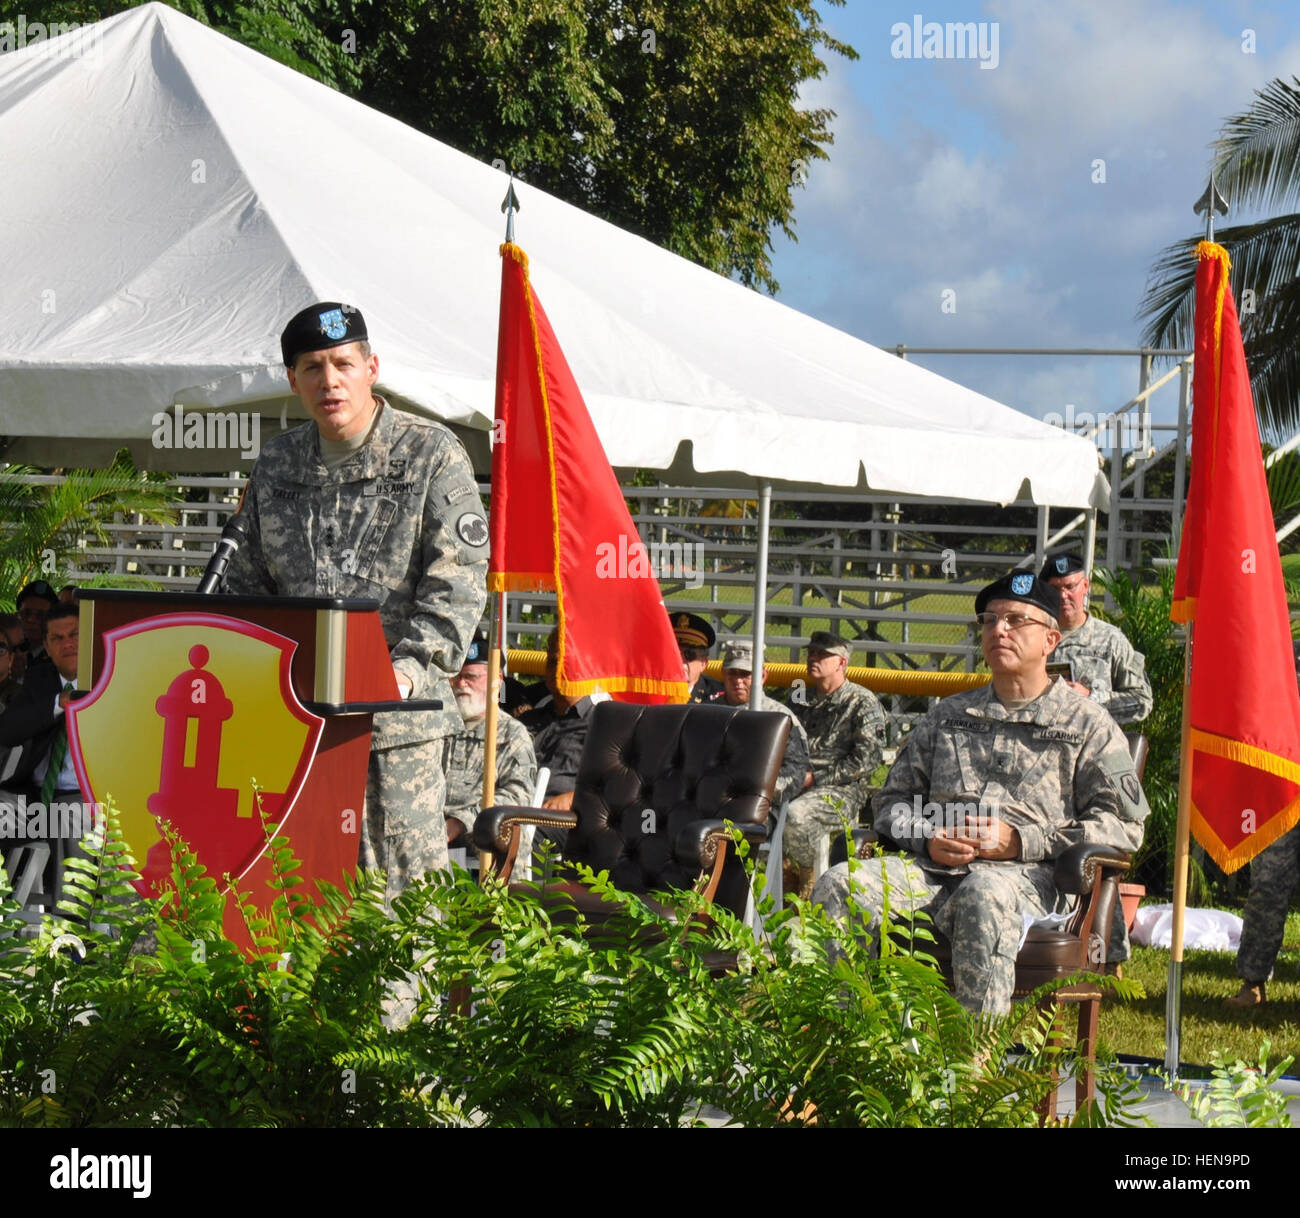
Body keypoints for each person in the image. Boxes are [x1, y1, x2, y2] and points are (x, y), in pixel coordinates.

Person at [224, 302, 488, 907]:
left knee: (396, 915)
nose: (329, 381)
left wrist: (409, 670)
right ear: (293, 381)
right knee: (296, 904)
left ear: (372, 367)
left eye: (343, 363)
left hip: (396, 731)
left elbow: (458, 579)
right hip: (296, 726)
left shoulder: (431, 454)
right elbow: (245, 585)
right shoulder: (276, 464)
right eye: (312, 368)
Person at [812, 572, 1150, 1014]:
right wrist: (928, 836)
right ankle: (840, 1046)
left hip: (1032, 879)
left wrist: (1021, 841)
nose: (998, 630)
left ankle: (973, 1066)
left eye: (1015, 620)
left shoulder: (1087, 724)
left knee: (983, 894)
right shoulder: (948, 716)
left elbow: (1125, 826)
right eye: (990, 620)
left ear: (1051, 639)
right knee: (840, 884)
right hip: (932, 870)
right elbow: (889, 804)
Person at [784, 630, 888, 896]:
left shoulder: (862, 702)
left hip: (843, 789)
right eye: (811, 653)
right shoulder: (799, 699)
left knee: (796, 816)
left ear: (842, 662)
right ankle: (779, 872)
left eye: (822, 655)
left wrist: (816, 779)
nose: (813, 659)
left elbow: (867, 761)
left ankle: (807, 873)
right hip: (797, 780)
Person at [0, 603, 90, 903]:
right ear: (47, 647)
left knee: (69, 817)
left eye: (75, 634)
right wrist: (58, 702)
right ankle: (11, 912)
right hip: (36, 793)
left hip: (85, 794)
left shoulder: (108, 677)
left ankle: (68, 923)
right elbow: (9, 729)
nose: (67, 643)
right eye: (57, 638)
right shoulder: (41, 679)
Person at [444, 631, 537, 849]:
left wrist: (462, 821)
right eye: (457, 677)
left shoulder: (511, 735)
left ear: (497, 681)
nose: (461, 684)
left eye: (471, 677)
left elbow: (517, 797)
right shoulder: (438, 727)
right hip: (431, 836)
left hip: (483, 838)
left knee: (506, 833)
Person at [1038, 553, 1152, 725]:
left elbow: (1141, 701)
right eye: (1055, 589)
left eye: (1070, 587)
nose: (1063, 596)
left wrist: (1091, 698)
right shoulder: (1032, 636)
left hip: (1092, 745)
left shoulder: (1110, 640)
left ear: (1085, 586)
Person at [518, 629, 607, 848]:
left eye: (566, 663)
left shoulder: (604, 722)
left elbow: (618, 784)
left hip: (567, 819)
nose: (556, 671)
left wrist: (575, 797)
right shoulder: (527, 721)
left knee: (516, 834)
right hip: (513, 807)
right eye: (552, 662)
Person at [715, 639, 810, 806]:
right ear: (723, 673)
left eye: (745, 674)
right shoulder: (709, 713)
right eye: (733, 673)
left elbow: (795, 771)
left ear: (763, 676)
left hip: (761, 803)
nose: (738, 681)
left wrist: (758, 792)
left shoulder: (779, 718)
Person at [672, 611, 722, 703]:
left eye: (689, 654)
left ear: (703, 663)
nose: (680, 660)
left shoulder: (717, 696)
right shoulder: (651, 689)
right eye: (673, 654)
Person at [15, 580, 56, 676]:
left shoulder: (58, 658)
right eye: (26, 613)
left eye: (40, 615)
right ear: (18, 615)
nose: (31, 620)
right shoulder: (7, 652)